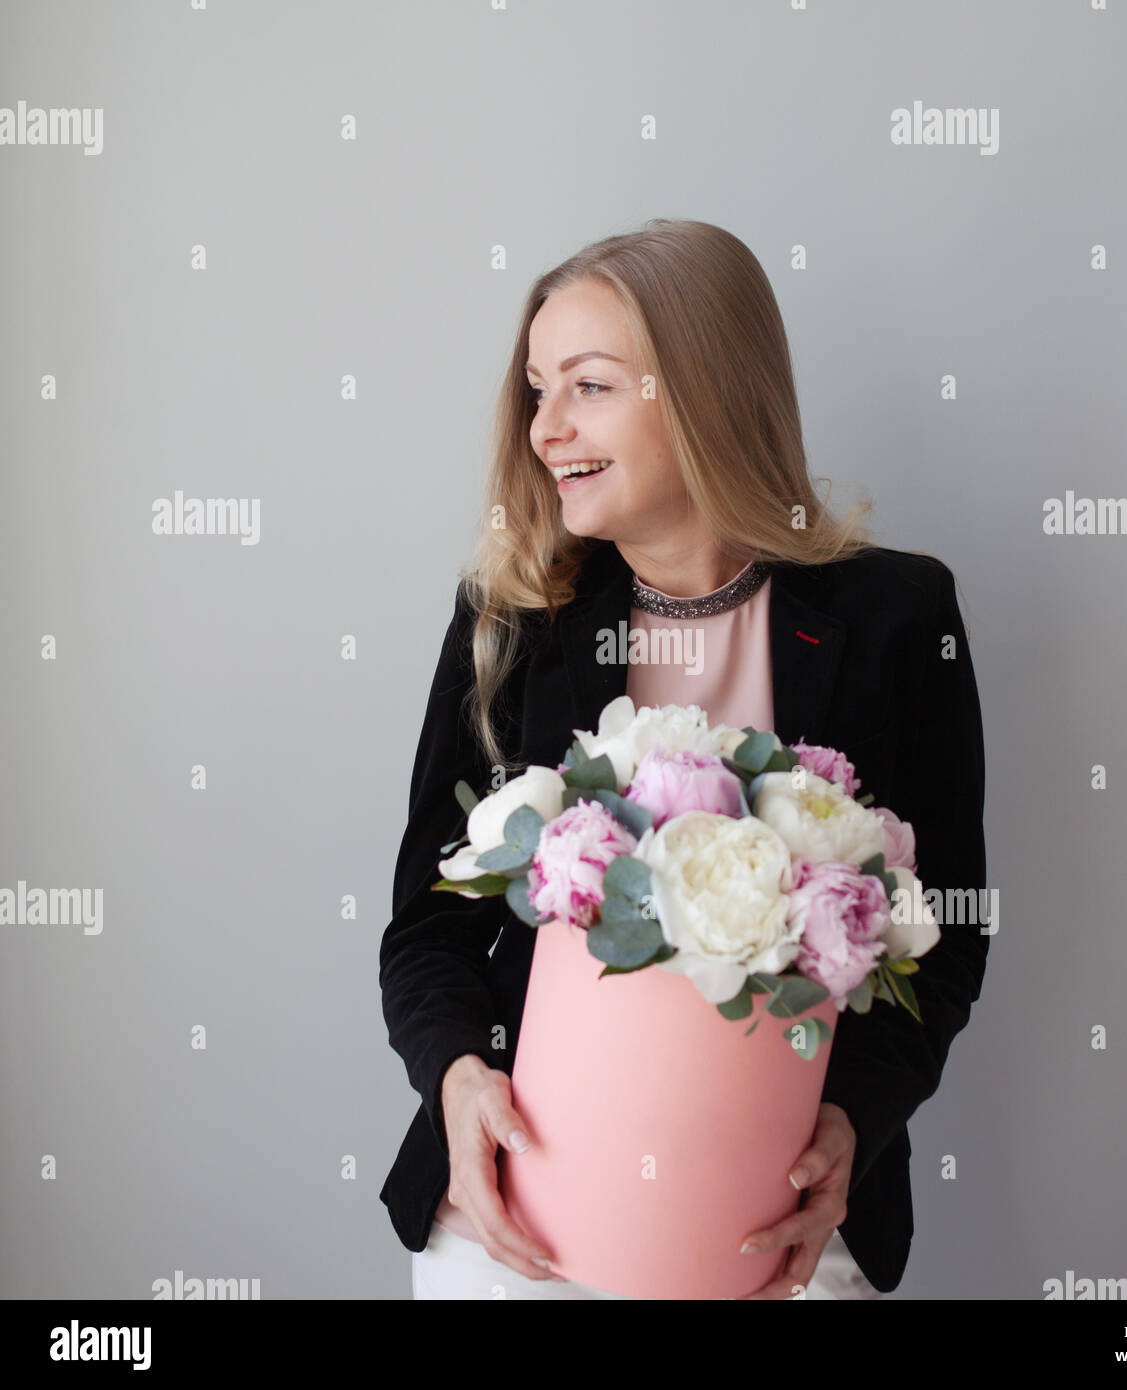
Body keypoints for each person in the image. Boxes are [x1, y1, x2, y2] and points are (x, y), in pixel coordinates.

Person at [379, 218, 987, 1300]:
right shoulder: (515, 618)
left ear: (700, 386)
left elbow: (942, 938)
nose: (545, 429)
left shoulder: (898, 614)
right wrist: (460, 1081)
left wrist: (853, 1119)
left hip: (780, 1228)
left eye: (589, 385)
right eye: (536, 390)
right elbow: (429, 927)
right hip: (523, 1214)